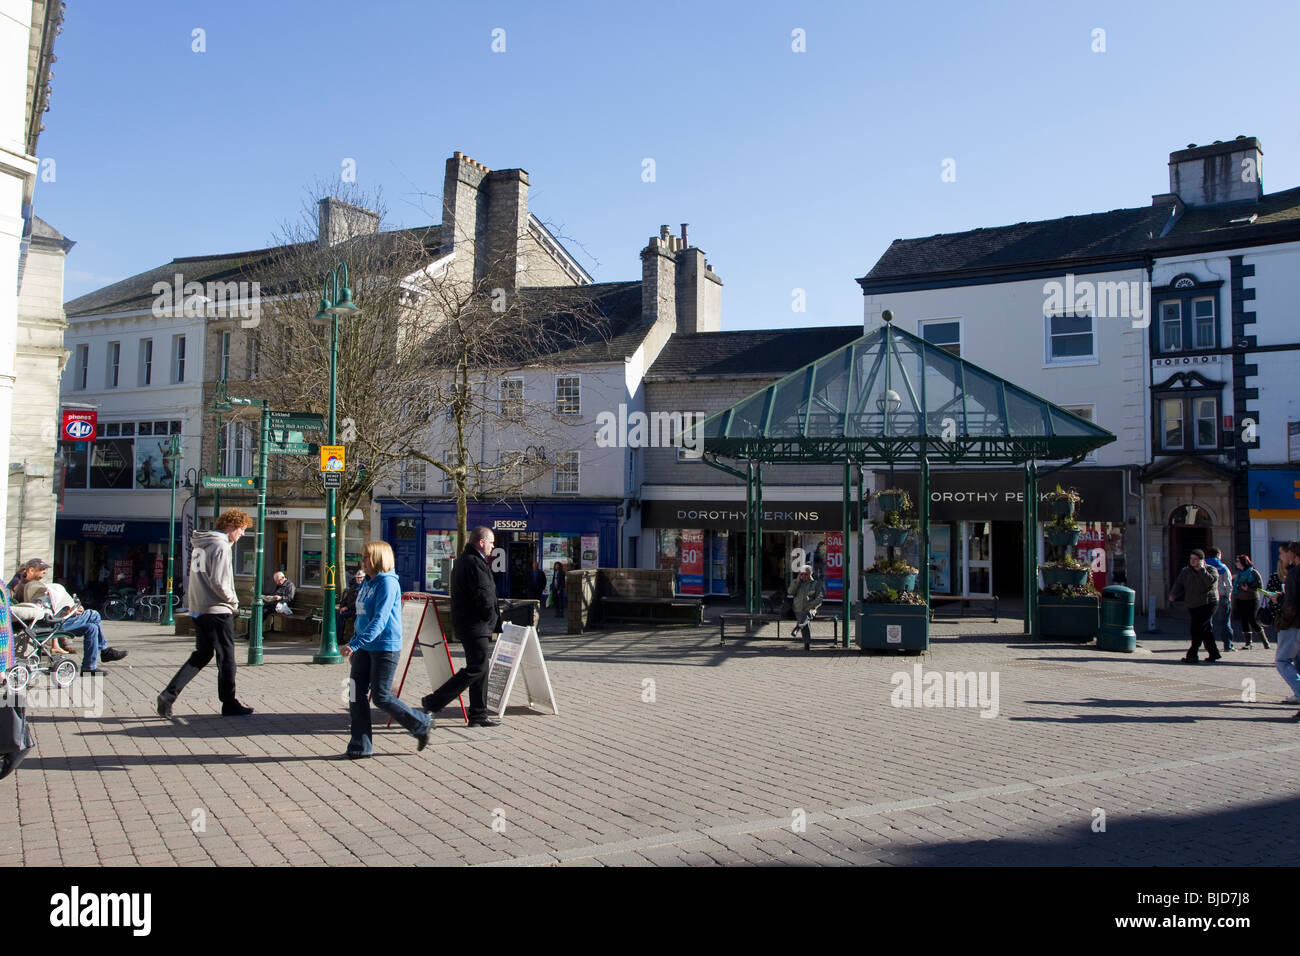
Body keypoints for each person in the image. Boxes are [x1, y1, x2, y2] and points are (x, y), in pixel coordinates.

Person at [156, 509, 255, 718]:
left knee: (202, 654)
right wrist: (233, 600)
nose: (242, 534)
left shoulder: (201, 545)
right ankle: (229, 703)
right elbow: (219, 581)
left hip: (199, 607)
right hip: (217, 609)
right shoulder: (221, 546)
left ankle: (169, 694)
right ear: (230, 526)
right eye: (241, 529)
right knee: (227, 658)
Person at [338, 541, 430, 758]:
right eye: (362, 557)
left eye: (366, 558)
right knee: (355, 694)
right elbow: (362, 618)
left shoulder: (387, 584)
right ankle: (360, 746)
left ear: (379, 559)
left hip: (385, 647)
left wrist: (354, 644)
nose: (362, 562)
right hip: (364, 647)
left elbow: (379, 620)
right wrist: (355, 642)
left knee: (380, 697)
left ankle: (421, 723)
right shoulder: (366, 584)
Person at [421, 527, 500, 728]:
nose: (493, 546)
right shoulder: (474, 563)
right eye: (491, 542)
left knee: (480, 669)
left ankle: (478, 714)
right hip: (475, 625)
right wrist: (490, 616)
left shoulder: (467, 560)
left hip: (471, 625)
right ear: (481, 542)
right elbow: (483, 596)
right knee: (476, 668)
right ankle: (434, 701)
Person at [13, 557, 125, 675]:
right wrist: (69, 612)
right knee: (94, 614)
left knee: (92, 628)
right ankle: (105, 650)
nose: (44, 572)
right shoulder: (31, 587)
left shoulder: (27, 586)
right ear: (30, 570)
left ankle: (89, 667)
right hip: (49, 624)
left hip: (46, 622)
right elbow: (42, 610)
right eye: (41, 569)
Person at [1169, 549, 1220, 664]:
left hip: (1208, 603)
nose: (1192, 561)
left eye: (1195, 559)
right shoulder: (1186, 571)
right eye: (1191, 559)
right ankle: (1214, 653)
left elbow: (1210, 582)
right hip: (1193, 603)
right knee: (1205, 629)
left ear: (1202, 561)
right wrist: (1173, 594)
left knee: (1197, 628)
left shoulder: (1211, 570)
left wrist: (1202, 570)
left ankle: (1192, 654)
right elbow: (1179, 584)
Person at [1272, 542, 1300, 719]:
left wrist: (1282, 622)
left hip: (1295, 624)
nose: (1282, 556)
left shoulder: (1294, 573)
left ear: (1292, 554)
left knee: (1282, 660)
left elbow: (1292, 603)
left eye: (1284, 553)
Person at [1232, 554, 1268, 650]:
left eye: (1238, 561)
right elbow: (1235, 585)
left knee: (1252, 619)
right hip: (1240, 599)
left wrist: (1248, 588)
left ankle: (1265, 642)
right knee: (1244, 619)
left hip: (1252, 599)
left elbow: (1260, 586)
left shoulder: (1253, 572)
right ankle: (1248, 643)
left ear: (1243, 562)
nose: (1236, 563)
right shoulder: (1238, 573)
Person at [1205, 547, 1236, 651]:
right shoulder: (1222, 567)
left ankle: (1208, 645)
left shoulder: (1203, 567)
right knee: (1225, 621)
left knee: (1207, 622)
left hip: (1207, 597)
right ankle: (1228, 645)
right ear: (1218, 555)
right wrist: (1228, 596)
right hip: (1222, 596)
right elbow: (1228, 583)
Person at [787, 565, 824, 643]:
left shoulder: (815, 584)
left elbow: (820, 598)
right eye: (802, 574)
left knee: (805, 615)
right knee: (804, 621)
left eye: (806, 574)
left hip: (811, 609)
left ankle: (798, 628)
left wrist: (812, 605)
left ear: (810, 574)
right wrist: (797, 582)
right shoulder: (796, 582)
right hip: (798, 609)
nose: (804, 576)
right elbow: (790, 592)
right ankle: (806, 642)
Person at [336, 569, 364, 641]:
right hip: (350, 609)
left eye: (360, 577)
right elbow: (347, 598)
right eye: (357, 577)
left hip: (357, 610)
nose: (359, 579)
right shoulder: (353, 587)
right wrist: (342, 606)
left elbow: (359, 602)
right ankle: (339, 638)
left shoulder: (364, 588)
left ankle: (356, 639)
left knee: (357, 617)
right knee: (338, 615)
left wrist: (347, 607)